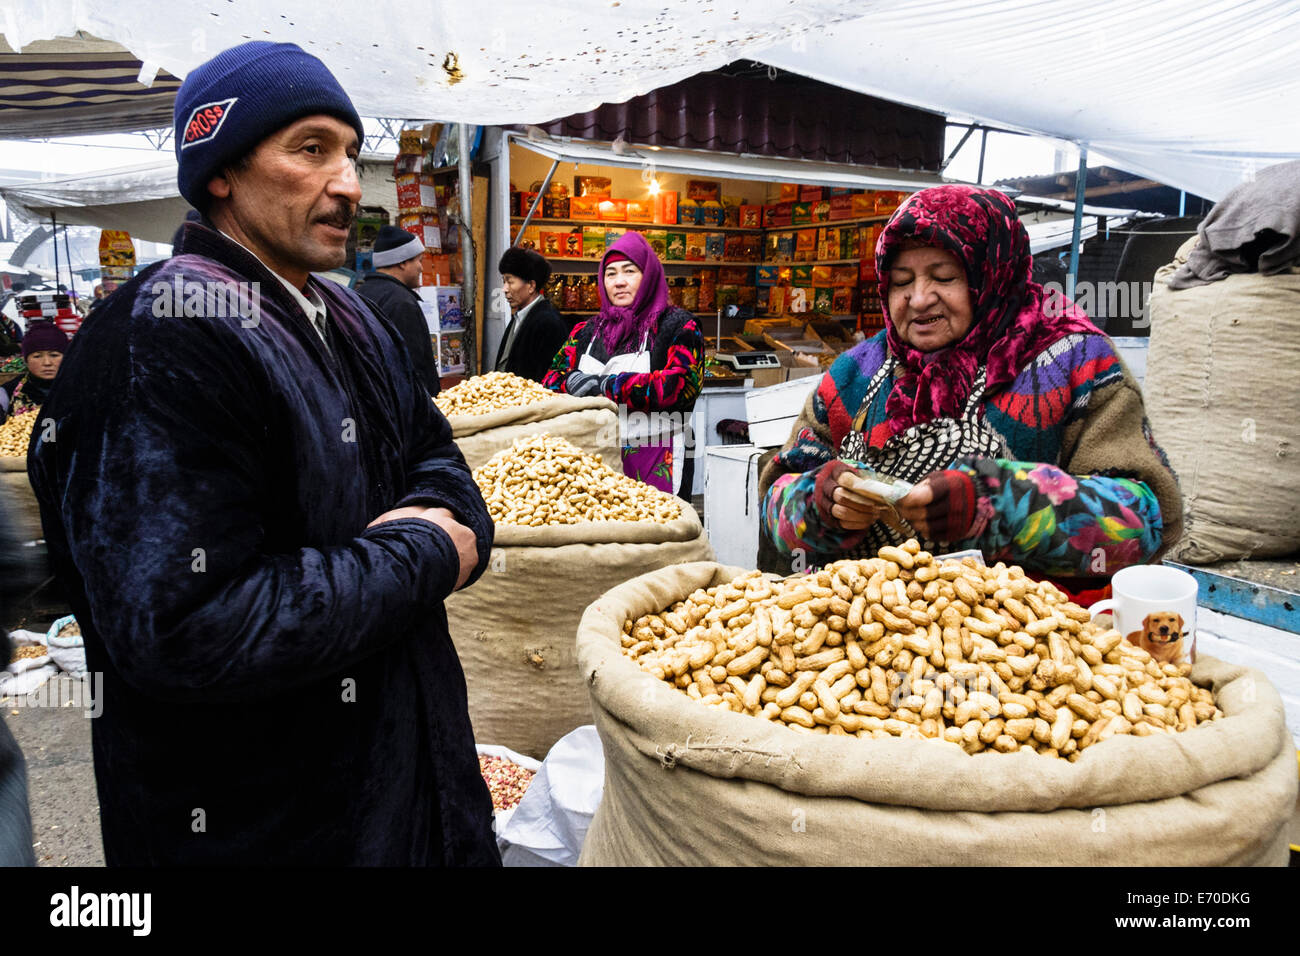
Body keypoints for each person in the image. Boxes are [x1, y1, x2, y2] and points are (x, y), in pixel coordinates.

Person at [27, 40, 499, 866]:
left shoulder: (349, 318)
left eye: (351, 154)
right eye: (311, 149)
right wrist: (420, 552)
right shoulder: (160, 338)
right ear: (220, 170)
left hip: (404, 796)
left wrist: (440, 523)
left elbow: (441, 464)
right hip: (265, 826)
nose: (350, 185)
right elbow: (188, 625)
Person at [760, 185, 1182, 603]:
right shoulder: (854, 375)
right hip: (870, 641)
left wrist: (995, 504)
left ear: (992, 274)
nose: (920, 299)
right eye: (902, 282)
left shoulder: (1075, 363)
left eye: (945, 278)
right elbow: (775, 497)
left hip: (1020, 646)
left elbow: (1143, 522)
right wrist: (819, 503)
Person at [542, 231, 704, 498]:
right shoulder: (587, 331)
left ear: (648, 275)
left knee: (655, 534)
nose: (619, 282)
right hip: (593, 461)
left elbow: (680, 388)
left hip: (657, 456)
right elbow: (549, 380)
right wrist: (570, 382)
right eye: (611, 274)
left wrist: (604, 386)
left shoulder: (679, 326)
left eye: (629, 271)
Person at [356, 225, 442, 396]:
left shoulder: (359, 295)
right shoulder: (402, 303)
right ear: (403, 262)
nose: (421, 268)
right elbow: (413, 369)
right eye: (419, 260)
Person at [494, 246, 569, 382]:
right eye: (504, 281)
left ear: (531, 286)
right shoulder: (520, 316)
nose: (504, 289)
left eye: (510, 282)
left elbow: (549, 378)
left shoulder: (548, 323)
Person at [0, 321, 66, 420]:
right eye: (37, 356)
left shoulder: (83, 389)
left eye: (54, 355)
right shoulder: (7, 394)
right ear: (26, 360)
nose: (47, 362)